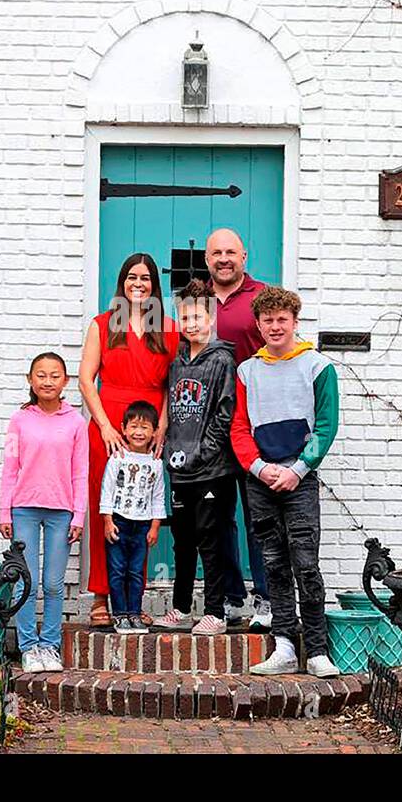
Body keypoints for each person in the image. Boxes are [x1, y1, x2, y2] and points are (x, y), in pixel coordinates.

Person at [231, 286, 341, 678]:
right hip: (261, 480)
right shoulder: (247, 371)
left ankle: (317, 650)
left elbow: (326, 427)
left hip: (300, 479)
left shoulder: (318, 367)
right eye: (268, 320)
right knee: (274, 564)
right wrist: (260, 468)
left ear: (295, 322)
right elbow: (240, 428)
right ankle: (285, 646)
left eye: (282, 319)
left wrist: (298, 469)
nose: (275, 327)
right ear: (258, 326)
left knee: (305, 563)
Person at [78, 253, 179, 627]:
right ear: (122, 283)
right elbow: (86, 380)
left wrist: (164, 427)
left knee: (140, 512)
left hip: (147, 431)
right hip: (108, 427)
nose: (138, 283)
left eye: (146, 278)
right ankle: (101, 597)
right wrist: (104, 425)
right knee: (107, 509)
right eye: (132, 277)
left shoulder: (166, 328)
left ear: (155, 285)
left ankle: (132, 602)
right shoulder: (103, 325)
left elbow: (171, 385)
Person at [154, 280, 239, 636]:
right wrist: (175, 450)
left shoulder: (222, 360)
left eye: (197, 316)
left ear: (211, 318)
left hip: (212, 470)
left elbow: (224, 413)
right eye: (184, 317)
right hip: (181, 470)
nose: (190, 324)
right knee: (183, 540)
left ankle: (216, 612)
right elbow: (174, 412)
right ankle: (181, 608)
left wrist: (203, 453)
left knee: (211, 538)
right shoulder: (177, 365)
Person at [0, 352, 88, 674]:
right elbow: (10, 468)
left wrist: (78, 516)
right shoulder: (19, 420)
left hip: (61, 512)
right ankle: (28, 647)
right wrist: (4, 512)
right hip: (24, 509)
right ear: (30, 380)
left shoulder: (76, 422)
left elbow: (81, 473)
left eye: (54, 375)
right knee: (27, 581)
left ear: (65, 382)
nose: (47, 381)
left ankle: (49, 645)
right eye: (41, 375)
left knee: (52, 583)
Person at [204, 228, 272, 629]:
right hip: (210, 428)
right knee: (216, 517)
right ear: (207, 259)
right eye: (217, 253)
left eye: (231, 252)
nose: (224, 259)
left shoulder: (262, 296)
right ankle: (231, 598)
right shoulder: (196, 301)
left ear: (244, 256)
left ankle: (266, 599)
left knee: (258, 516)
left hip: (253, 423)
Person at [99, 401, 166, 634]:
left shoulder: (156, 463)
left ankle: (135, 613)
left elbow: (158, 496)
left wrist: (155, 526)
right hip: (118, 521)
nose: (139, 432)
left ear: (155, 432)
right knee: (117, 570)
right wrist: (107, 520)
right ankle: (120, 614)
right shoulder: (118, 458)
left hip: (142, 524)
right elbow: (106, 490)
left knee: (136, 571)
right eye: (134, 427)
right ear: (123, 429)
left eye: (145, 427)